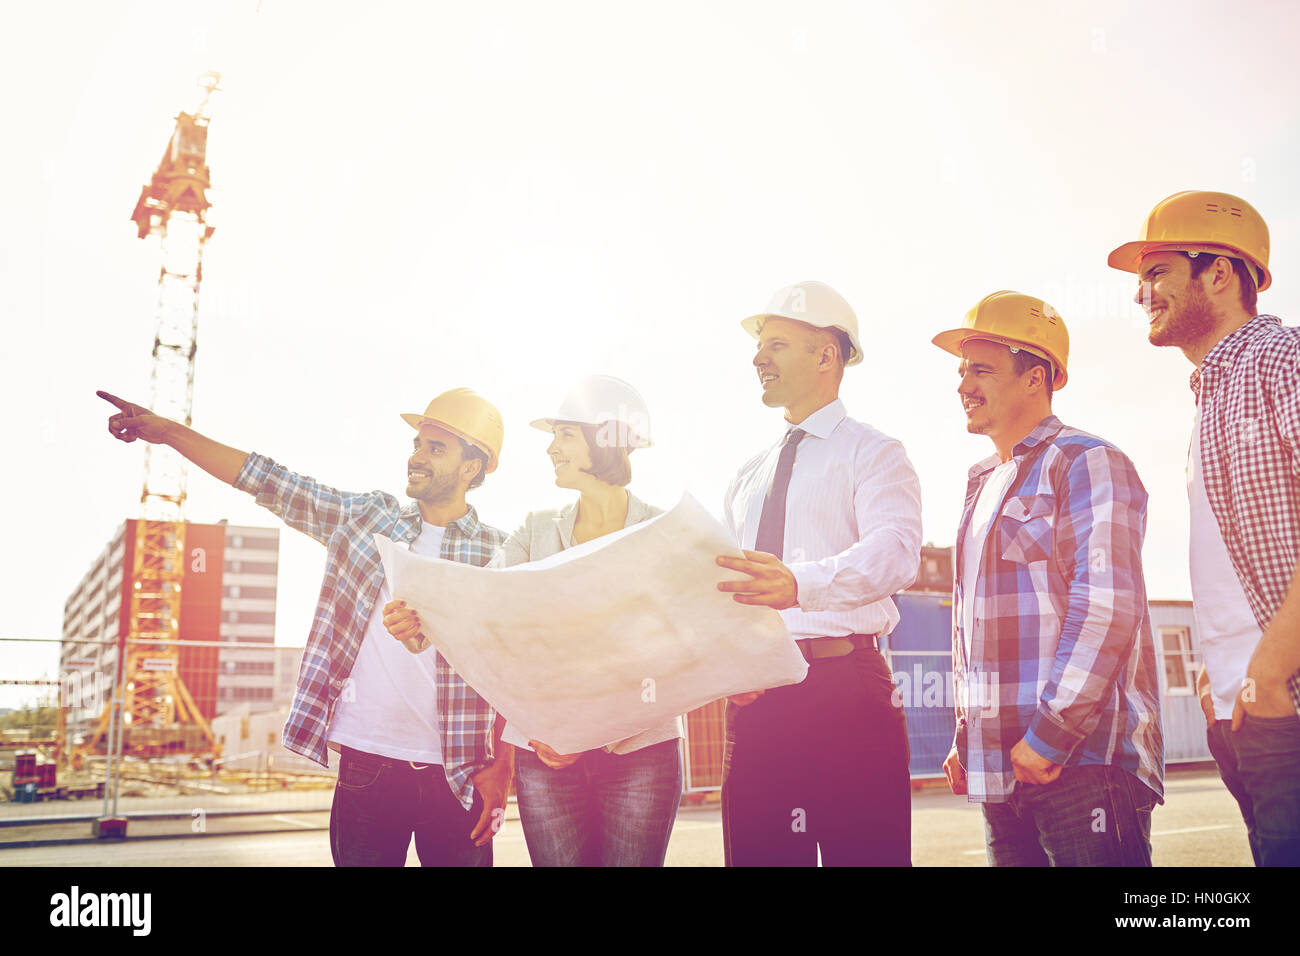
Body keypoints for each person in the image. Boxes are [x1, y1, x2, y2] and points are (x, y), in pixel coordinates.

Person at [98, 387, 513, 867]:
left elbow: (513, 675)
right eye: (416, 445)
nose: (416, 458)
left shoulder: (501, 554)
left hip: (459, 774)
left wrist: (503, 767)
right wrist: (166, 432)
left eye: (435, 448)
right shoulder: (367, 518)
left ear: (472, 466)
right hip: (368, 765)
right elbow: (269, 480)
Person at [384, 376, 684, 866]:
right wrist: (424, 625)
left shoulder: (663, 533)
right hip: (545, 751)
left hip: (639, 754)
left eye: (564, 435)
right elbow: (484, 609)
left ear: (606, 438)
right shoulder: (535, 530)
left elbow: (680, 649)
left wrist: (590, 728)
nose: (550, 448)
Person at [932, 291, 1164, 866]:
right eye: (961, 371)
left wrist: (1050, 736)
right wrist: (968, 736)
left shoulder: (1086, 461)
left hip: (1082, 765)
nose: (963, 385)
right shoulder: (981, 482)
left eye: (980, 369)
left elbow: (1106, 606)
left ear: (1036, 377)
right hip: (1003, 770)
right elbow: (975, 630)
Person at [1111, 190, 1300, 866]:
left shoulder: (1281, 359)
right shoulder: (1212, 393)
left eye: (1157, 271)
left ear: (1218, 273)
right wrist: (1219, 672)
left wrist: (1272, 667)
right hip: (1241, 707)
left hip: (1286, 700)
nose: (1141, 294)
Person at [714, 280, 921, 866]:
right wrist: (728, 664)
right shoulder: (746, 476)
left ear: (826, 355)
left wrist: (799, 583)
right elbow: (726, 592)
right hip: (758, 702)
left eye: (776, 344)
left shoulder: (875, 452)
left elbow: (896, 551)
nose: (758, 359)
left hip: (844, 693)